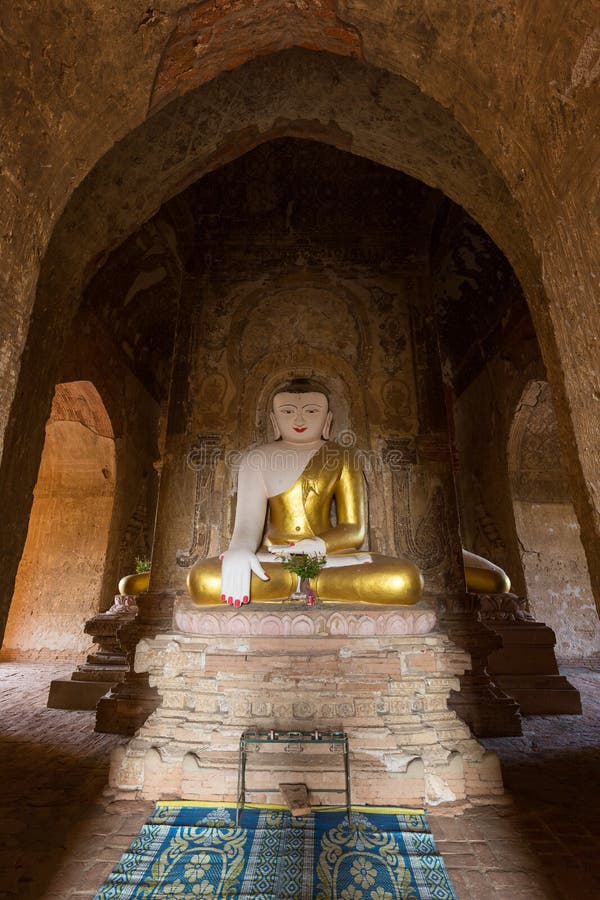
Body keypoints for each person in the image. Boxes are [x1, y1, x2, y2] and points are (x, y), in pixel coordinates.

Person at [187, 379, 424, 606]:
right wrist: (239, 551)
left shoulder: (343, 458)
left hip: (329, 558)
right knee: (204, 579)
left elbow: (354, 529)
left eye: (311, 411)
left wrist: (318, 545)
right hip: (275, 557)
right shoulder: (256, 459)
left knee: (404, 579)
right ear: (274, 421)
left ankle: (300, 583)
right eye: (288, 411)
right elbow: (247, 524)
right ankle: (311, 584)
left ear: (327, 420)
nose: (299, 418)